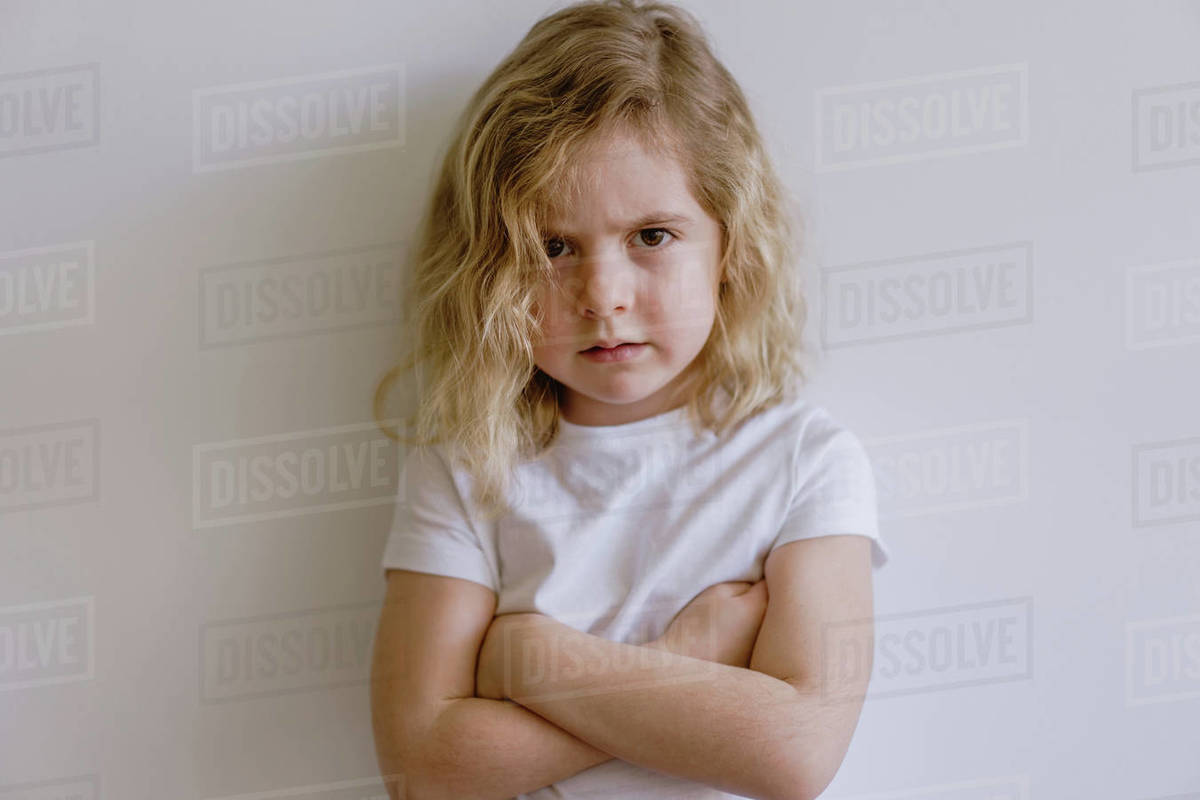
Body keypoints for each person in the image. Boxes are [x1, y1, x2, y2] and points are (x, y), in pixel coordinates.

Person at [369, 1, 890, 798]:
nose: (603, 296)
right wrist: (691, 657)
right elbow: (423, 768)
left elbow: (797, 748)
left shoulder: (806, 465)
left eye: (652, 236)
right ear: (492, 273)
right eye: (553, 247)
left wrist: (531, 658)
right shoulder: (468, 472)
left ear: (730, 247)